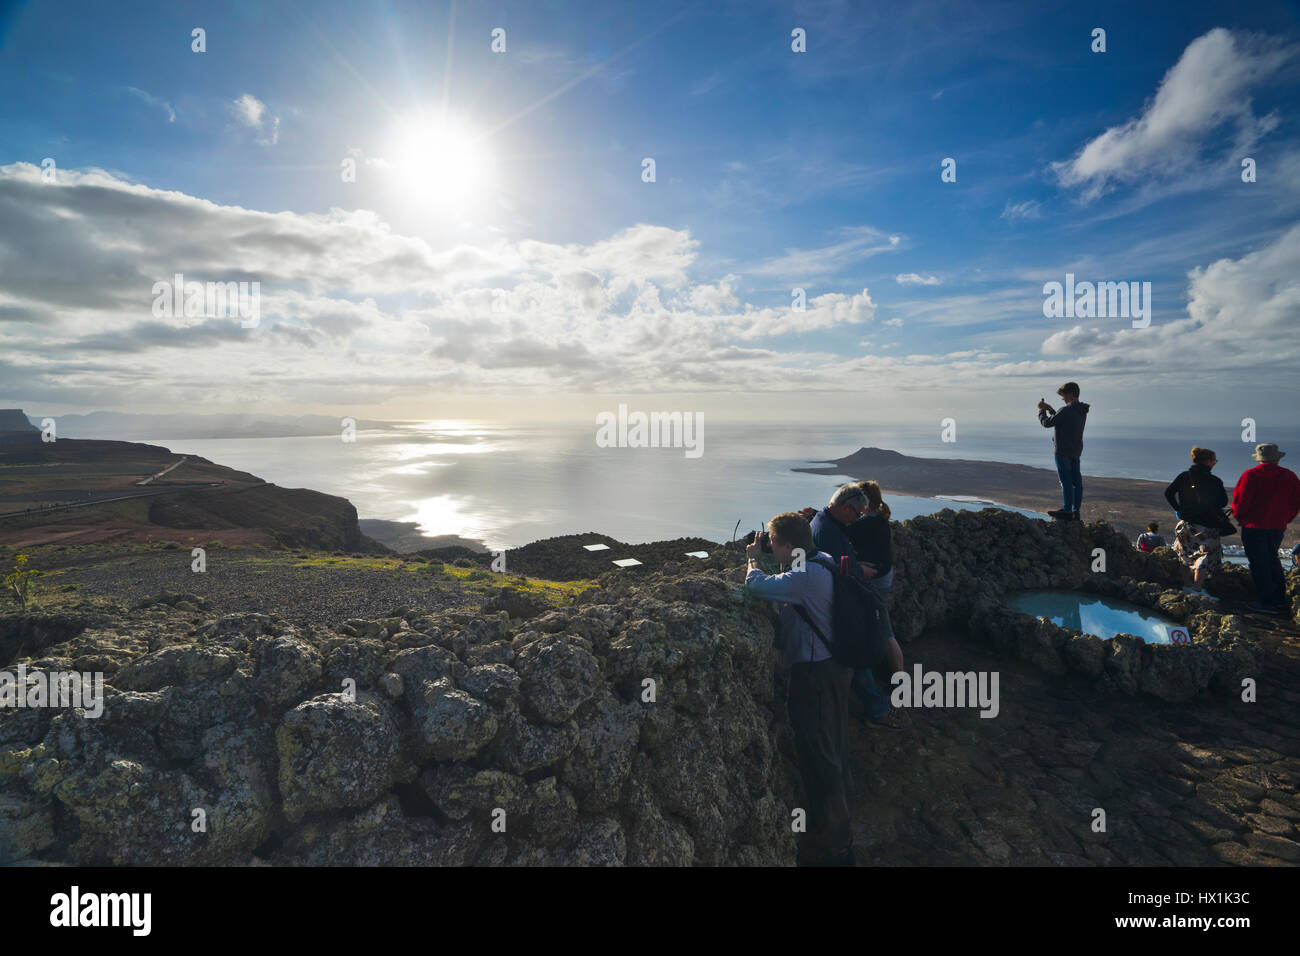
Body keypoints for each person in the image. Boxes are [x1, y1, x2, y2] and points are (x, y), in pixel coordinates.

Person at [744, 512, 855, 866]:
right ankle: (836, 822)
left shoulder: (805, 576)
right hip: (836, 667)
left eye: (772, 542)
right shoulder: (820, 559)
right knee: (833, 744)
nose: (768, 545)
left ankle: (839, 846)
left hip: (816, 675)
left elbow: (757, 586)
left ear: (788, 545)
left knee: (821, 754)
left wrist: (752, 560)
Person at [804, 485, 903, 729]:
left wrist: (856, 566)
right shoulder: (828, 529)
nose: (856, 519)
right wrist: (862, 570)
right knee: (855, 655)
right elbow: (836, 568)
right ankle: (878, 709)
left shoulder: (825, 523)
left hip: (838, 599)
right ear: (846, 507)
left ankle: (875, 704)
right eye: (856, 514)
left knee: (854, 654)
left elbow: (836, 562)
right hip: (839, 603)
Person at [845, 481, 907, 729]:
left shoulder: (867, 523)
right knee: (884, 629)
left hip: (874, 580)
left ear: (864, 501)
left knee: (884, 631)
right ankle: (897, 681)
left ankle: (896, 685)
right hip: (883, 577)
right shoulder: (877, 520)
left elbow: (843, 530)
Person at [1231, 443, 1300, 616]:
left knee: (1258, 562)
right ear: (1277, 458)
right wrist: (1285, 518)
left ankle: (1268, 602)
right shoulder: (1289, 476)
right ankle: (1278, 600)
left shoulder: (1251, 475)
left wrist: (1241, 518)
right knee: (1272, 558)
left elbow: (1240, 502)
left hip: (1253, 526)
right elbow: (1296, 502)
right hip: (1277, 526)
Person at [1164, 447, 1228, 596]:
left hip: (1186, 523)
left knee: (1184, 553)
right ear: (1207, 461)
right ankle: (1197, 588)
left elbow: (1168, 493)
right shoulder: (1215, 481)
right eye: (1214, 460)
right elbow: (1223, 502)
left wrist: (1178, 508)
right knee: (1203, 555)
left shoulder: (1184, 476)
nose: (1215, 463)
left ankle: (1186, 585)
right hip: (1207, 525)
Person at [1037, 382, 1090, 520]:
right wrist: (1052, 410)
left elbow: (1047, 423)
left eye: (1063, 395)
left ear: (1071, 394)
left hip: (1062, 451)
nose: (1062, 399)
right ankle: (1075, 511)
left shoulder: (1066, 410)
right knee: (1076, 482)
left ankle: (1067, 510)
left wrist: (1041, 410)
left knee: (1066, 481)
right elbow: (1064, 421)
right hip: (1075, 451)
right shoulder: (1082, 411)